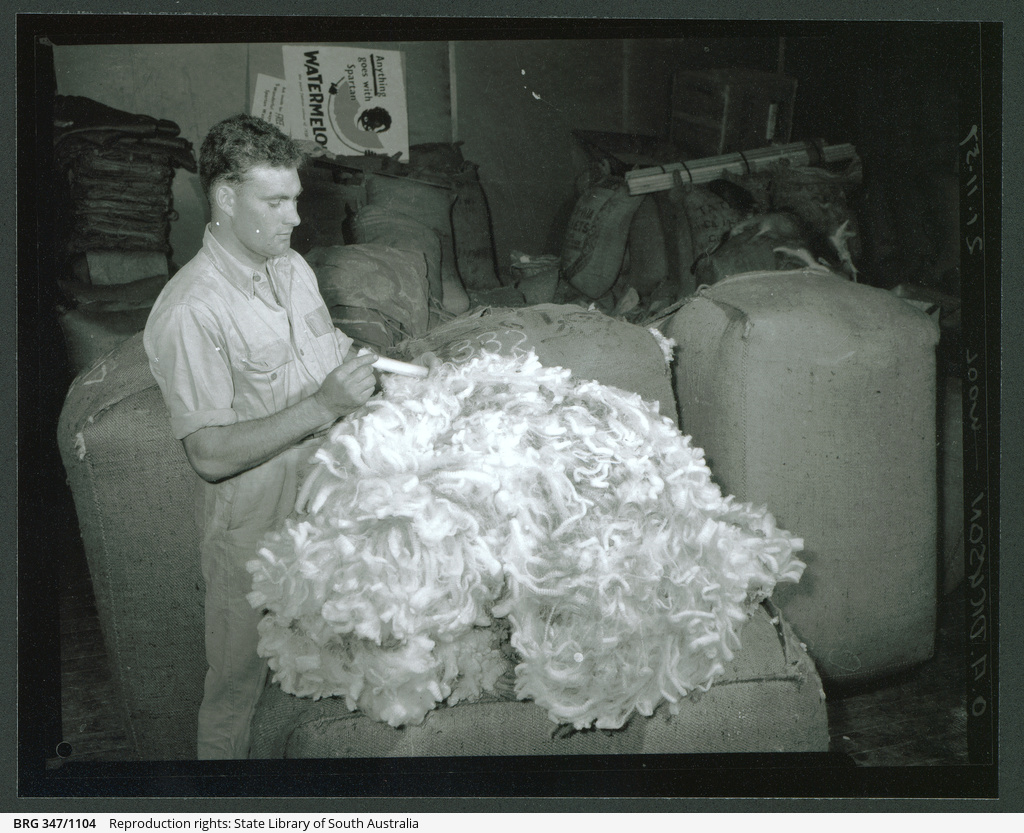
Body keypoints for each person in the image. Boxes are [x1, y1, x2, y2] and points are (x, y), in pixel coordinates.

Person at [144, 113, 423, 759]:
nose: (294, 217)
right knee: (236, 689)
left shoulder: (291, 267)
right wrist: (323, 405)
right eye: (275, 202)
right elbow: (208, 454)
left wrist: (397, 370)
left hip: (328, 507)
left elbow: (327, 348)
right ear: (225, 197)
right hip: (255, 530)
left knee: (340, 658)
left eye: (295, 198)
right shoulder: (190, 310)